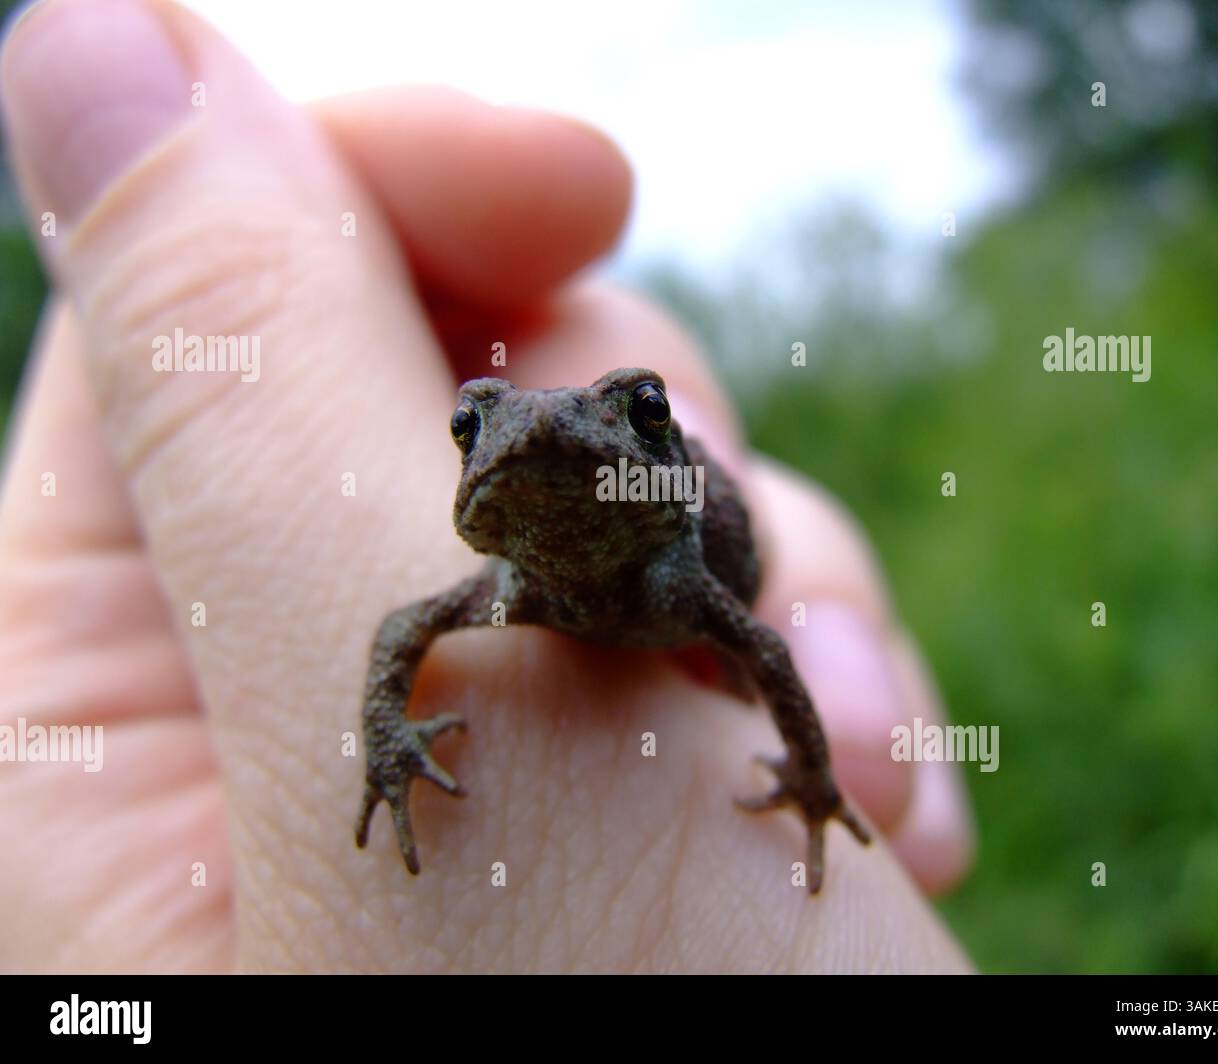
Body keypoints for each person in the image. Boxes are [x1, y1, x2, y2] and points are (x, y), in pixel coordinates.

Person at [0, 0, 971, 972]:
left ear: (658, 453)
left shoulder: (676, 576)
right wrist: (388, 744)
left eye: (636, 416)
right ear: (470, 473)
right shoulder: (510, 587)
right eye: (473, 428)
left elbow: (763, 646)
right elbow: (396, 635)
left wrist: (811, 775)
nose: (546, 435)